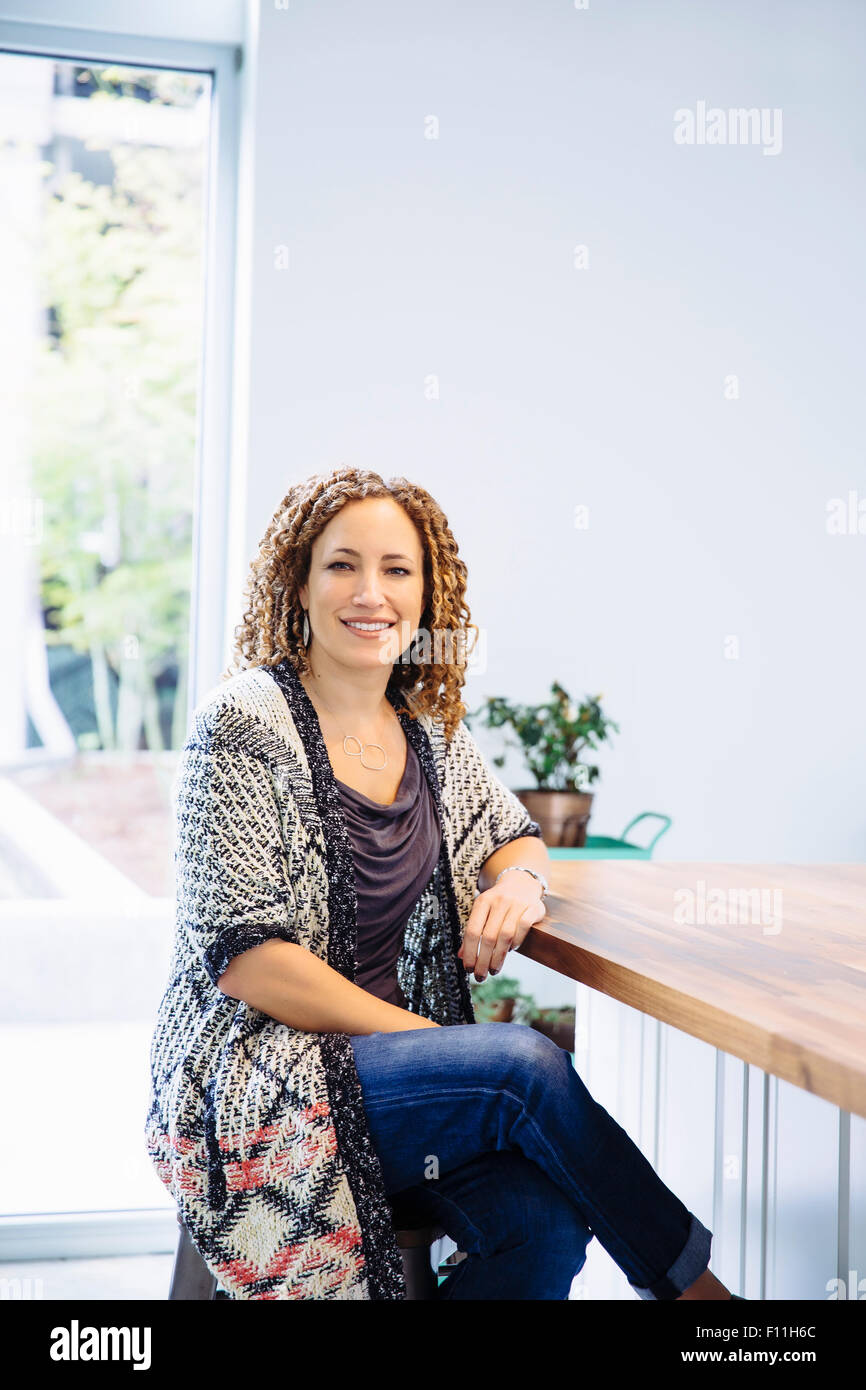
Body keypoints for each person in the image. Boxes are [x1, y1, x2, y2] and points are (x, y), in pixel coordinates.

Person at [145, 465, 738, 1300]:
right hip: (260, 1082)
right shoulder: (242, 724)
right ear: (301, 583)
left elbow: (514, 839)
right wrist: (419, 1042)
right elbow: (248, 960)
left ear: (427, 596)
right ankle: (704, 1299)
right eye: (343, 565)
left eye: (397, 570)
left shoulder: (426, 730)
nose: (371, 593)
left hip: (401, 1089)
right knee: (520, 1067)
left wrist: (522, 887)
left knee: (545, 1222)